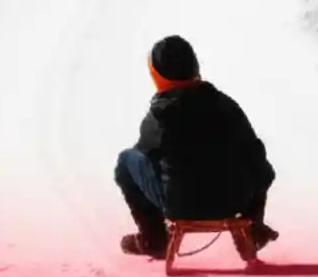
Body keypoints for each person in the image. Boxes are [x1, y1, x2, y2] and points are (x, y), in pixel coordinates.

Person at [115, 35, 279, 259]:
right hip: (233, 200)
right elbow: (258, 162)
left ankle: (154, 238)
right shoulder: (226, 105)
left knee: (127, 161)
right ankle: (253, 228)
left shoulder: (159, 115)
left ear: (157, 75)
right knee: (257, 158)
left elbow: (146, 155)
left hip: (179, 205)